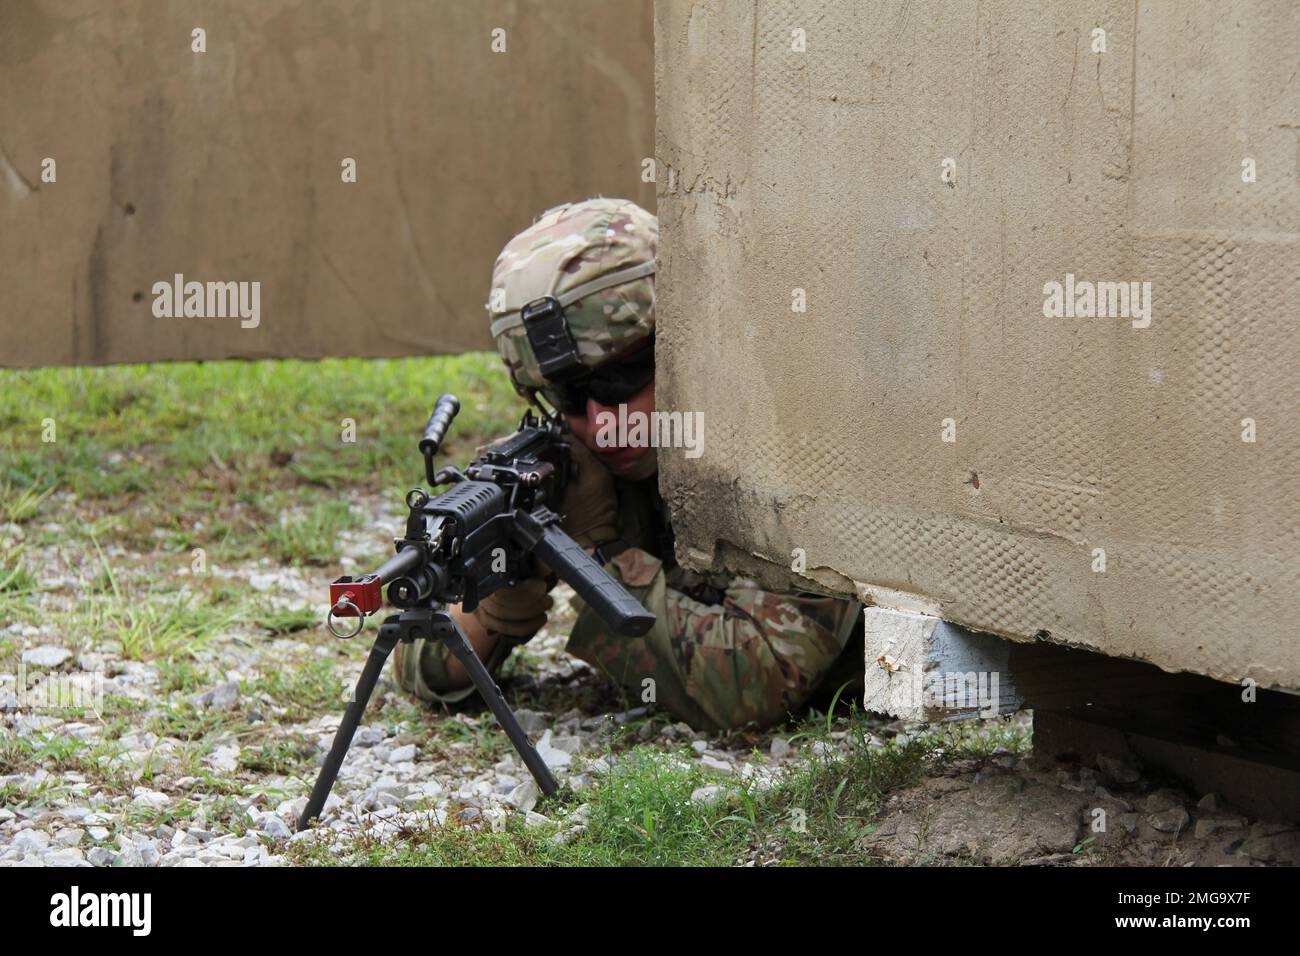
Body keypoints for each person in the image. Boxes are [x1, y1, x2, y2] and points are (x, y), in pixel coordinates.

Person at [393, 198, 862, 731]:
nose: (598, 422)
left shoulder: (787, 441)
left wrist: (591, 552)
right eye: (567, 395)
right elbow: (420, 664)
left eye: (619, 379)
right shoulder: (578, 463)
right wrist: (500, 596)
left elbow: (757, 682)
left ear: (685, 343)